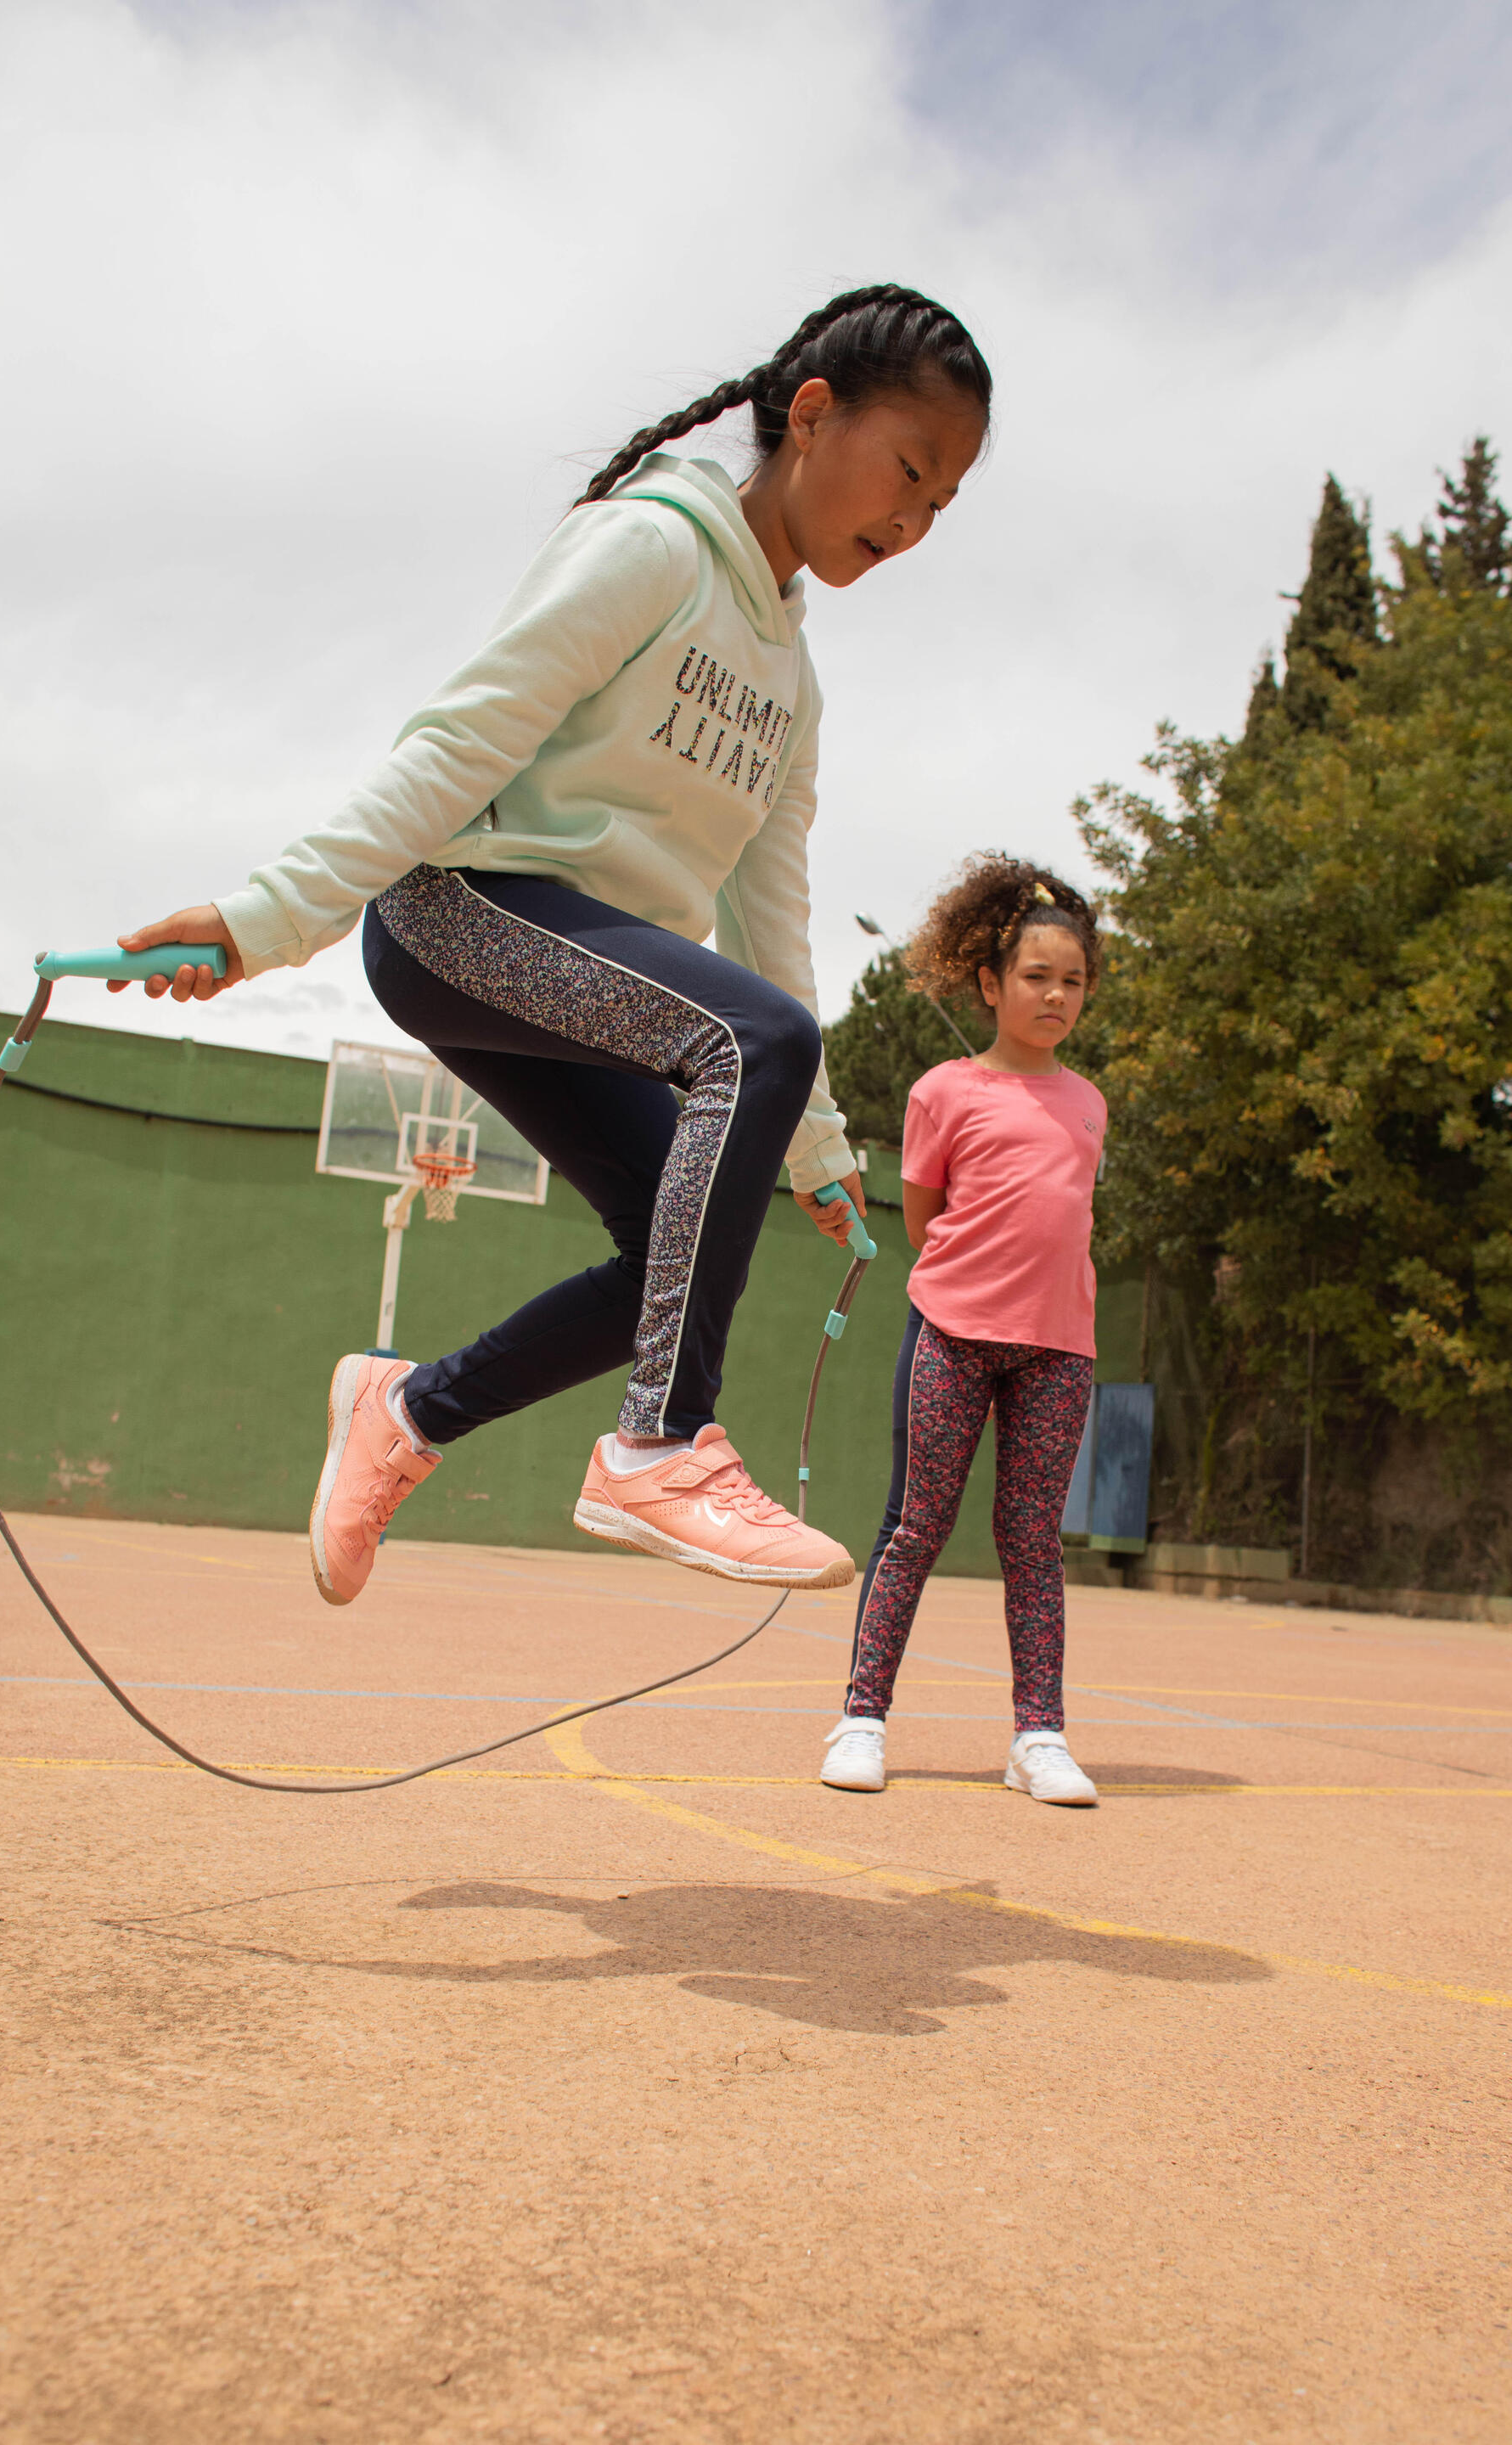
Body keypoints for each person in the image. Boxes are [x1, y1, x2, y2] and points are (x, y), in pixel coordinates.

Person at [110, 287, 993, 1606]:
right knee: (749, 1040)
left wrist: (811, 1144)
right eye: (909, 471)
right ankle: (659, 1444)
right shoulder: (650, 545)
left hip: (586, 966)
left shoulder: (794, 687)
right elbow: (459, 741)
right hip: (455, 910)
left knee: (667, 1243)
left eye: (943, 506)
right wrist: (270, 916)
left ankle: (403, 1414)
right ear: (812, 415)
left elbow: (770, 920)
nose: (913, 524)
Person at [821, 857, 1106, 1805]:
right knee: (915, 1527)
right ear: (991, 985)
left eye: (1072, 980)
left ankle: (1040, 1737)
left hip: (1060, 1349)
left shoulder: (1090, 1103)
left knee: (1033, 1540)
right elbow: (922, 1218)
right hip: (952, 1334)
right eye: (1036, 977)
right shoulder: (943, 1090)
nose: (1055, 995)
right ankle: (862, 1719)